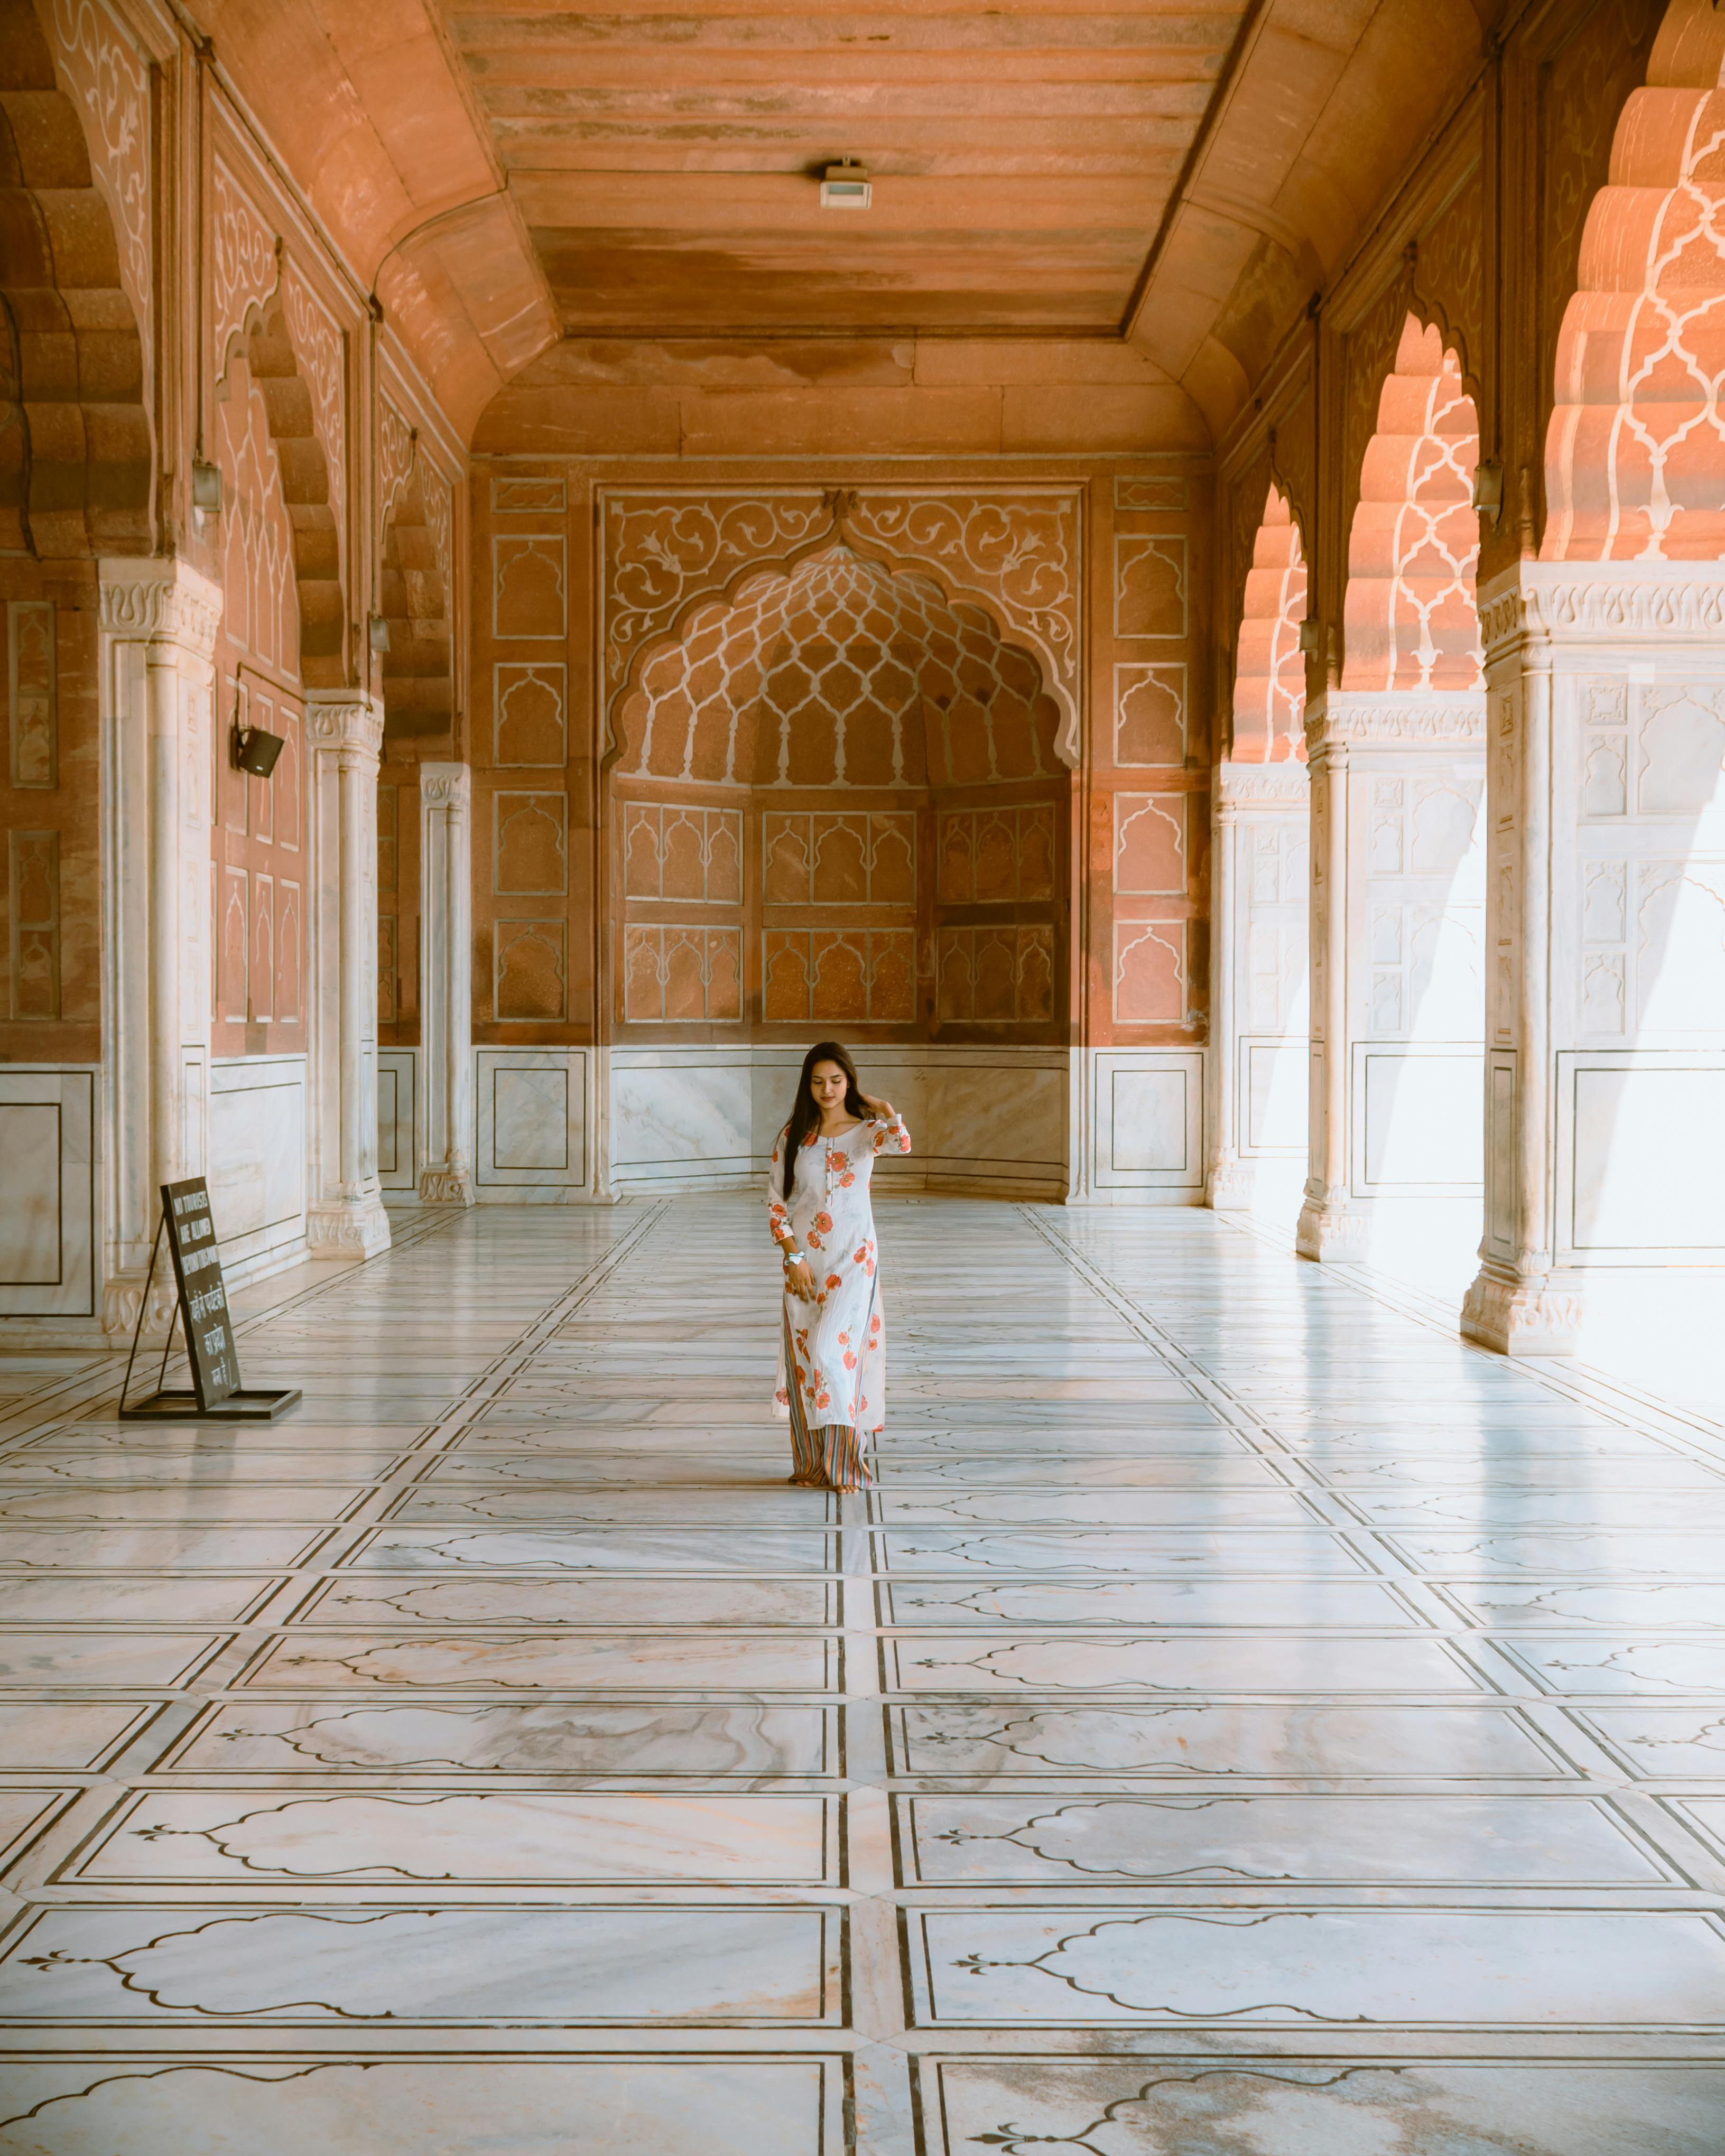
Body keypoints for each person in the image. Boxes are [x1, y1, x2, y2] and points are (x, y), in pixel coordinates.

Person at [767, 1041, 912, 1492]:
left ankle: (848, 1464)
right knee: (810, 1363)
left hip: (855, 1261)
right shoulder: (794, 1136)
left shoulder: (869, 1132)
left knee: (835, 1353)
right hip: (806, 1266)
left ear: (849, 1081)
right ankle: (815, 1466)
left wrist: (884, 1108)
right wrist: (793, 1258)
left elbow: (902, 1143)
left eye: (836, 1080)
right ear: (806, 1085)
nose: (827, 1090)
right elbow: (775, 1204)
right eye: (817, 1081)